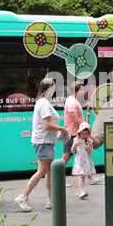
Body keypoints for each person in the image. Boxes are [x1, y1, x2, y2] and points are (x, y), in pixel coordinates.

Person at [15, 77, 68, 212]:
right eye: (54, 87)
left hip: (45, 141)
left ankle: (50, 200)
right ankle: (23, 196)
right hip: (43, 141)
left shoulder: (42, 102)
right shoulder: (44, 103)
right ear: (49, 87)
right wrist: (62, 129)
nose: (55, 90)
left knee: (48, 171)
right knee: (43, 171)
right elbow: (46, 125)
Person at [71, 122, 96, 200]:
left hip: (86, 160)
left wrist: (89, 148)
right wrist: (75, 145)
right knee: (81, 175)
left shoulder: (89, 140)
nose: (84, 135)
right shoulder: (76, 140)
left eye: (86, 133)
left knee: (83, 176)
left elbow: (91, 151)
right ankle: (81, 191)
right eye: (83, 133)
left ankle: (80, 191)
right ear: (79, 133)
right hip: (79, 160)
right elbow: (72, 151)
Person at [62, 81, 85, 164]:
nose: (84, 92)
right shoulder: (72, 101)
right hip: (72, 133)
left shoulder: (73, 100)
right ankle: (55, 171)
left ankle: (81, 174)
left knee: (72, 154)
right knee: (67, 155)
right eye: (82, 90)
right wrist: (82, 125)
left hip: (74, 133)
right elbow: (72, 114)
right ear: (76, 91)